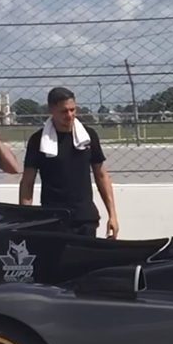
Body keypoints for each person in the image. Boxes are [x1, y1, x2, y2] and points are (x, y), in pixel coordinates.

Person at [19, 86, 119, 238]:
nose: (70, 115)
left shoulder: (88, 136)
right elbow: (27, 182)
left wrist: (112, 215)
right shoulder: (38, 141)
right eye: (64, 111)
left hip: (85, 218)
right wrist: (24, 219)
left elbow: (101, 176)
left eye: (73, 110)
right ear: (51, 110)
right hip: (53, 220)